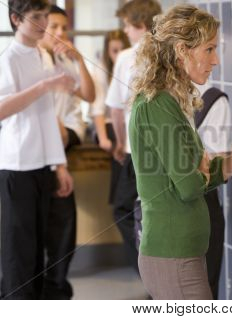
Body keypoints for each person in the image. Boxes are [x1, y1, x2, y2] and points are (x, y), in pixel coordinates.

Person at [129, 4, 232, 300]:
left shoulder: (173, 100)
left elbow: (205, 174)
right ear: (182, 50)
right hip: (172, 256)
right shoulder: (159, 104)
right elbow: (190, 186)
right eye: (209, 49)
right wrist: (200, 167)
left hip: (184, 253)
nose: (216, 59)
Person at [0, 0, 74, 299]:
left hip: (42, 165)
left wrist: (59, 164)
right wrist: (44, 87)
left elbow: (48, 119)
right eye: (37, 18)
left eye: (46, 16)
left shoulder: (40, 56)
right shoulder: (8, 58)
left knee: (37, 255)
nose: (44, 23)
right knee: (18, 254)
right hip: (16, 167)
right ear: (16, 20)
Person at [38, 4, 96, 299]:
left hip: (64, 140)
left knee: (63, 225)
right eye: (54, 27)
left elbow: (88, 95)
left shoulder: (63, 60)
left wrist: (80, 61)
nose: (61, 33)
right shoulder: (32, 61)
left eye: (64, 28)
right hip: (42, 148)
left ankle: (57, 286)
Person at [105, 0, 162, 273]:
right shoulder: (169, 50)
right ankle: (158, 266)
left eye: (127, 25)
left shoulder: (127, 57)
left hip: (135, 149)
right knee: (155, 208)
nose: (125, 31)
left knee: (123, 209)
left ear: (140, 25)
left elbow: (116, 110)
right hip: (164, 149)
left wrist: (119, 142)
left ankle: (148, 265)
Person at [194, 82, 231, 299]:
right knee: (204, 288)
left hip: (162, 211)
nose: (216, 59)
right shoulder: (214, 99)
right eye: (209, 49)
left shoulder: (156, 96)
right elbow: (218, 164)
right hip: (203, 204)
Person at [90, 30, 130, 205]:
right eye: (114, 51)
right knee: (117, 140)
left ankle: (122, 198)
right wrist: (103, 138)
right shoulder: (101, 71)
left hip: (123, 123)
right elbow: (98, 110)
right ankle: (120, 198)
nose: (118, 55)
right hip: (106, 124)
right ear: (107, 51)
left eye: (122, 50)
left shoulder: (131, 66)